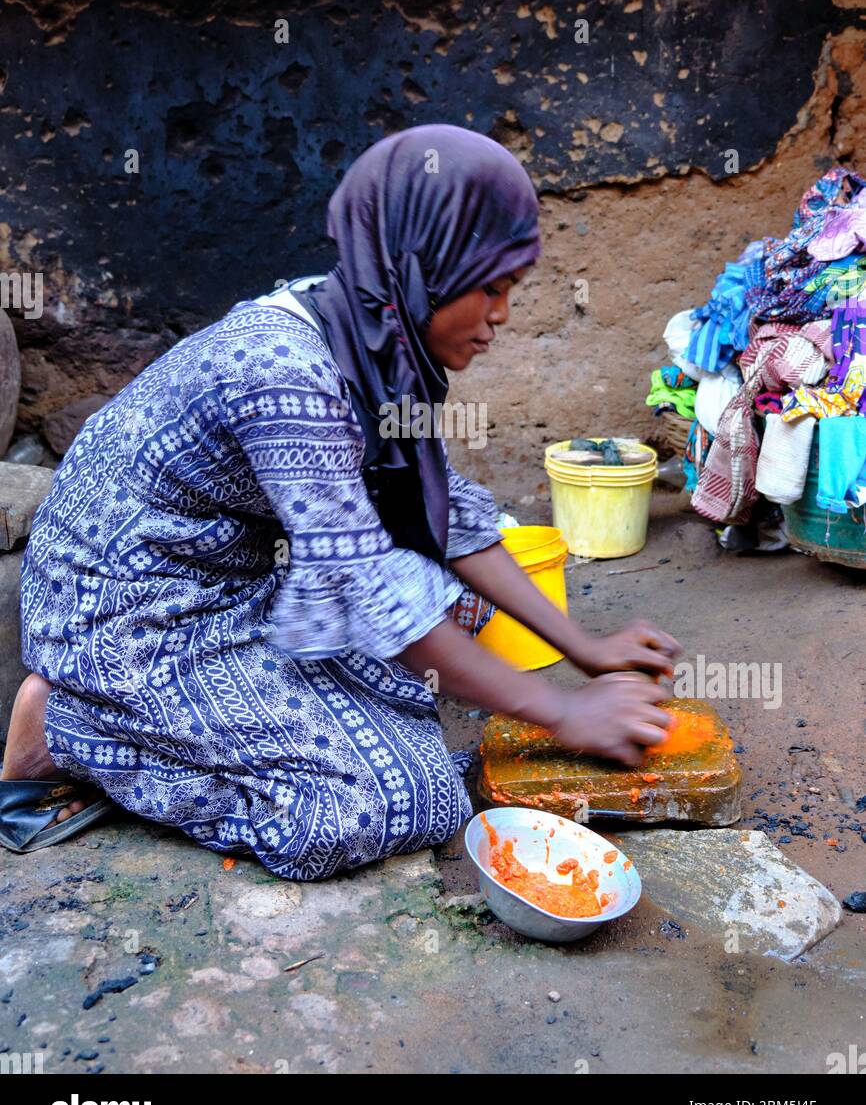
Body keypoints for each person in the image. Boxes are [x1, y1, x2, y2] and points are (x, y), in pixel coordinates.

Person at [0, 125, 677, 878]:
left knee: (448, 627)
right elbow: (366, 592)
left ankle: (190, 717)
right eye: (492, 286)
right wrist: (566, 713)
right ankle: (69, 727)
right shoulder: (285, 371)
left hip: (228, 574)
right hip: (126, 610)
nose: (503, 315)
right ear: (427, 269)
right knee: (393, 805)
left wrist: (587, 651)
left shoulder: (374, 337)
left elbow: (444, 513)